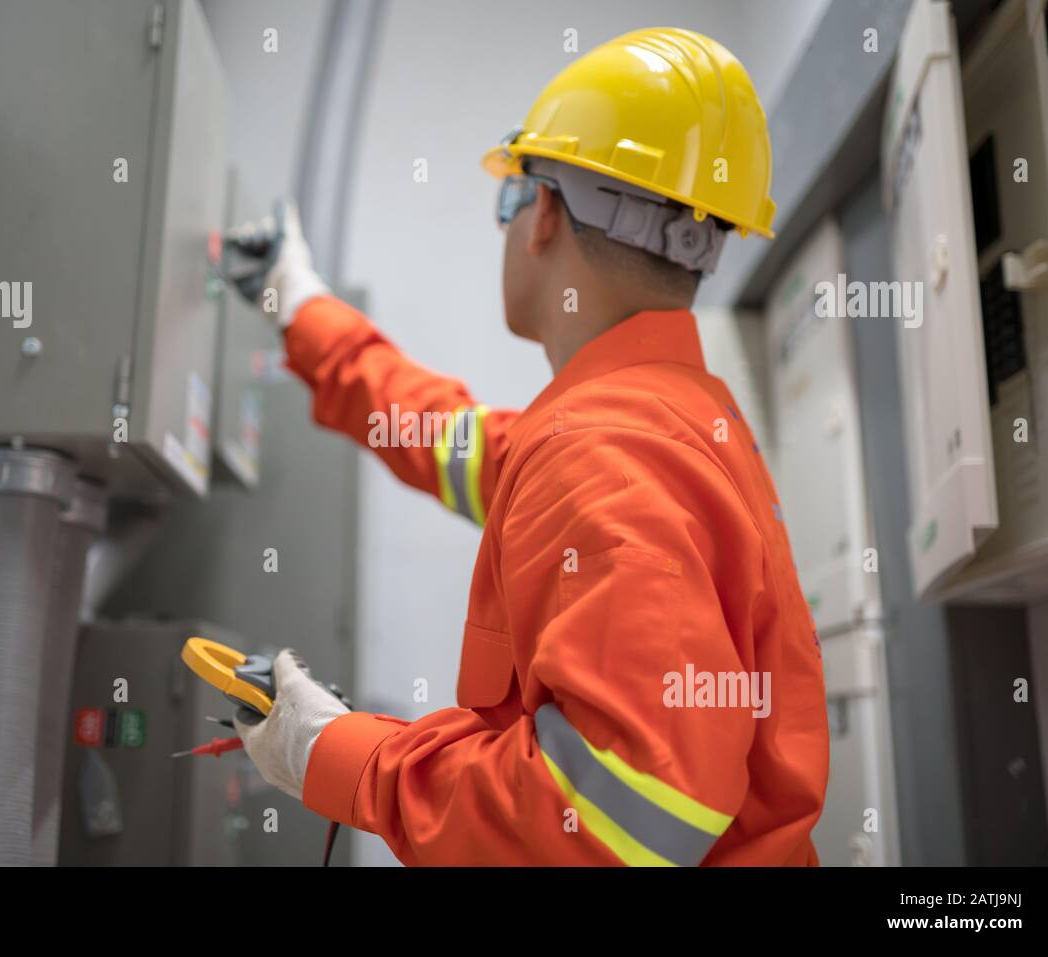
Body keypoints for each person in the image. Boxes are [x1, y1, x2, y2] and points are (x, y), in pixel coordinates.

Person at [223, 28, 828, 866]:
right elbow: (443, 436)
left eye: (510, 199)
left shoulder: (608, 449)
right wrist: (302, 308)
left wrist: (340, 757)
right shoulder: (663, 418)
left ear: (543, 212)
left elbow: (623, 813)